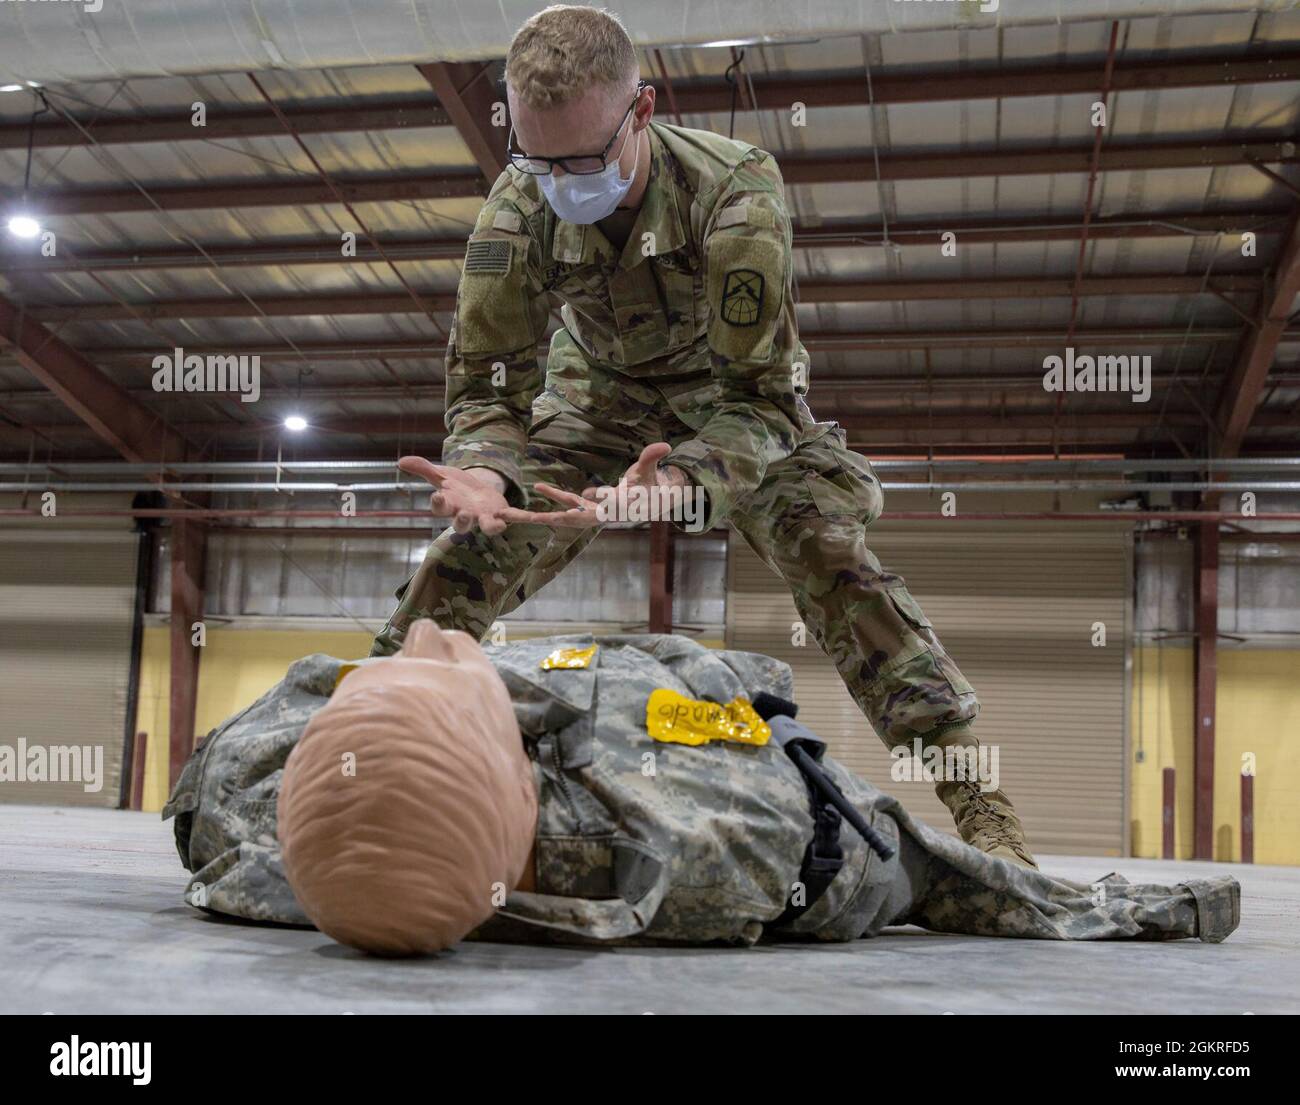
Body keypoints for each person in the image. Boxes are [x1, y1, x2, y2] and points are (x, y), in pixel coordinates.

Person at [371, 4, 1037, 867]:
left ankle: (983, 805)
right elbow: (488, 387)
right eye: (536, 160)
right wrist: (488, 469)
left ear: (641, 110)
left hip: (729, 403)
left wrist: (685, 479)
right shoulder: (518, 207)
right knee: (469, 548)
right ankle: (348, 741)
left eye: (582, 160)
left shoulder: (734, 193)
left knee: (832, 552)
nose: (560, 181)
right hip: (594, 399)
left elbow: (763, 398)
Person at [163, 622, 1240, 954]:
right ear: (522, 782)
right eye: (470, 685)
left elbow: (261, 793)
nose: (443, 639)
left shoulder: (295, 814)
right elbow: (910, 862)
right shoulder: (736, 833)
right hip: (826, 840)